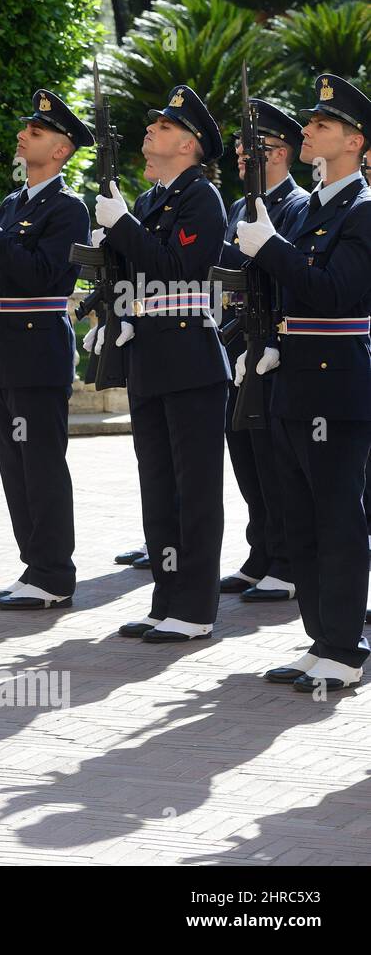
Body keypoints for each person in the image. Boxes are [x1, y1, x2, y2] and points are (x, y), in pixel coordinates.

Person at [237, 74, 371, 692]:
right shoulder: (314, 208)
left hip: (335, 382)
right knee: (302, 515)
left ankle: (345, 643)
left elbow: (336, 292)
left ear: (354, 141)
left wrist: (270, 251)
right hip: (292, 374)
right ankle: (321, 636)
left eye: (320, 124)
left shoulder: (362, 211)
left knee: (337, 515)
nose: (308, 131)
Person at [93, 85, 230, 643]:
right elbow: (132, 274)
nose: (150, 131)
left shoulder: (201, 198)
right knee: (157, 487)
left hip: (190, 357)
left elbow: (178, 267)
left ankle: (195, 608)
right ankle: (165, 599)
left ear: (189, 144)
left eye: (164, 127)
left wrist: (121, 225)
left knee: (193, 490)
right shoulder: (152, 200)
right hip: (148, 352)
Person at [0, 90, 92, 608]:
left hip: (39, 351)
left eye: (36, 133)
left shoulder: (69, 210)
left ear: (60, 151)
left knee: (41, 464)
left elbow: (44, 275)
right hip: (4, 349)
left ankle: (55, 573)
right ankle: (32, 567)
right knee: (13, 467)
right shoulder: (13, 205)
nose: (22, 136)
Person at [218, 100, 309, 603]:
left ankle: (288, 562)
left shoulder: (296, 206)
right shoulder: (239, 207)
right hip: (240, 343)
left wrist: (271, 341)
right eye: (237, 149)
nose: (240, 157)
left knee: (276, 461)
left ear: (279, 153)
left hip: (274, 347)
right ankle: (261, 553)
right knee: (247, 457)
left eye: (249, 149)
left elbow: (288, 278)